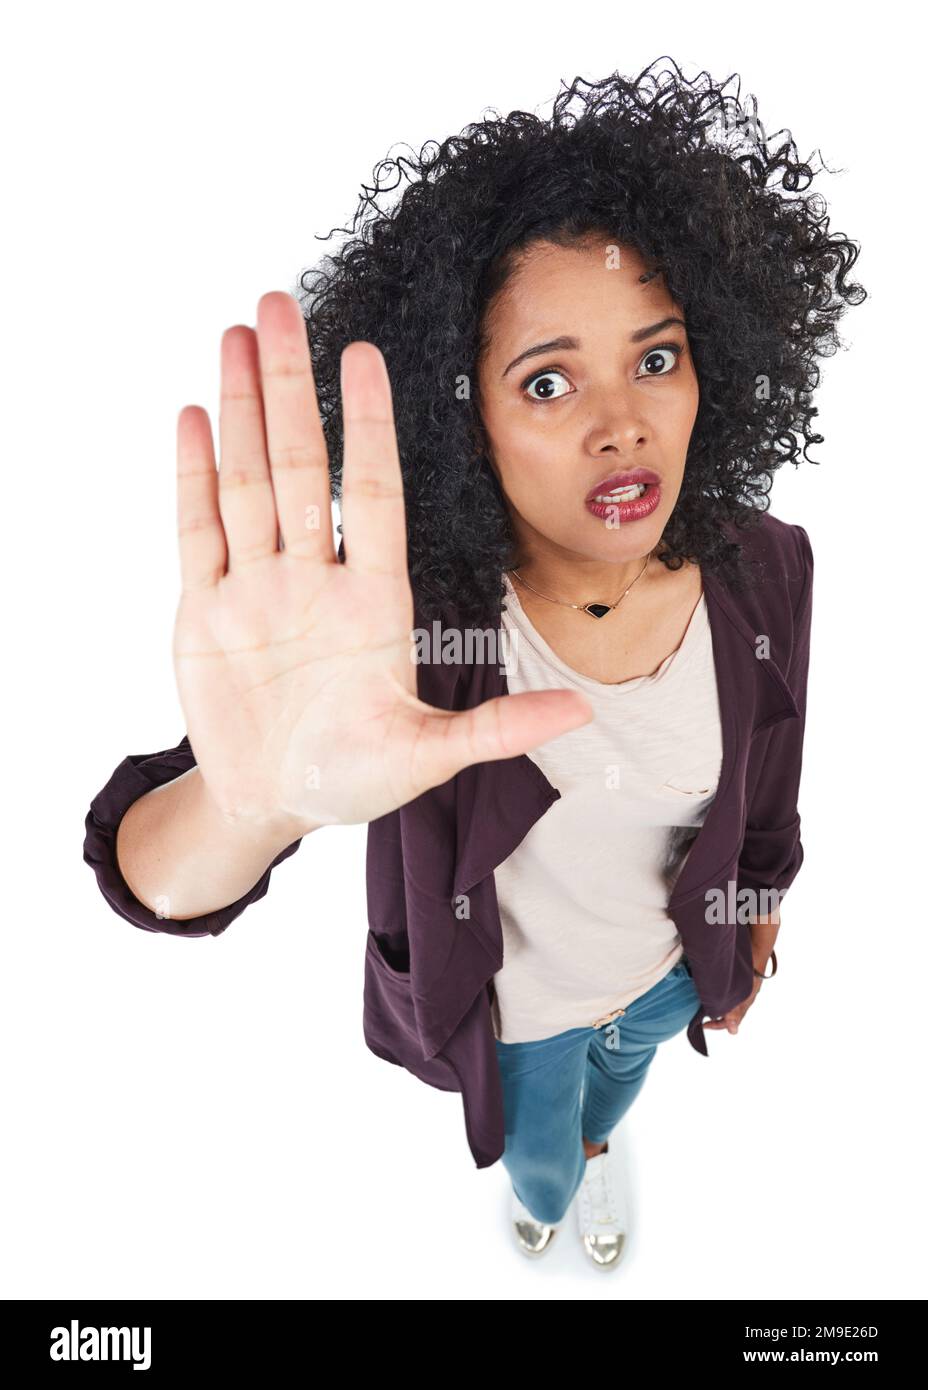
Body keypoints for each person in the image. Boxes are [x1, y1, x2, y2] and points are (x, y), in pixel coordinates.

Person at [83, 59, 865, 1271]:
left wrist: (754, 917)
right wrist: (252, 804)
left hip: (667, 982)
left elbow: (769, 783)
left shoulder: (764, 568)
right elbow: (159, 871)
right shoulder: (412, 628)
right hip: (521, 1028)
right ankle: (551, 1200)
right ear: (464, 423)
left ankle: (600, 1158)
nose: (623, 421)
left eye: (655, 358)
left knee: (624, 1098)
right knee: (545, 1149)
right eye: (546, 381)